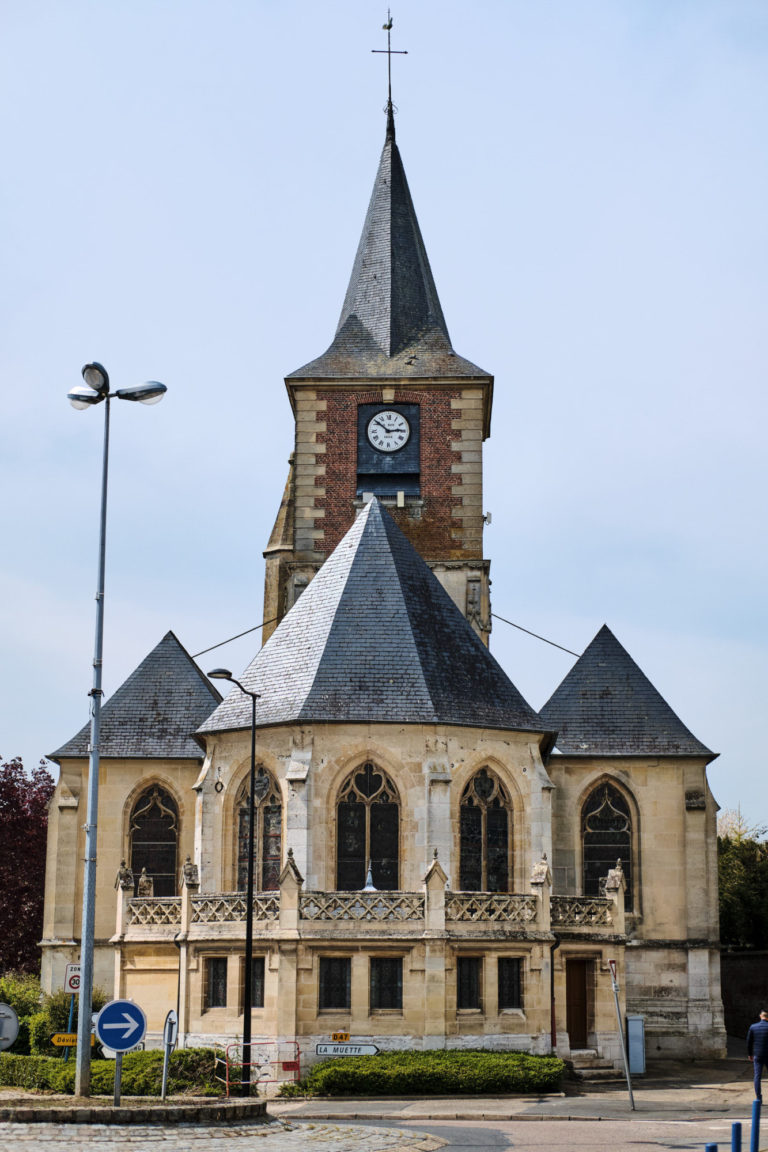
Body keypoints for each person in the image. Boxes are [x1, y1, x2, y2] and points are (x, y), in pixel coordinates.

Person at [747, 1010, 768, 1102]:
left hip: (758, 1054)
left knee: (757, 1076)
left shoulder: (753, 1027)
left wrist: (750, 1054)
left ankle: (759, 1098)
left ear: (760, 1016)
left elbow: (749, 1042)